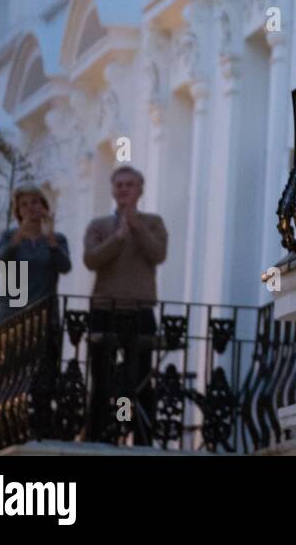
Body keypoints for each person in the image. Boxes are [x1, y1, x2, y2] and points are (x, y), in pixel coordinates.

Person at [83, 165, 168, 444]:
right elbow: (91, 259)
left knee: (140, 377)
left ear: (140, 190)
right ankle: (98, 436)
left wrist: (135, 227)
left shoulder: (153, 222)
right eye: (118, 185)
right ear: (112, 190)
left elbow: (157, 253)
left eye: (129, 185)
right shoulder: (98, 226)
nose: (123, 189)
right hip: (105, 309)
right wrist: (118, 237)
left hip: (140, 310)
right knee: (102, 378)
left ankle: (140, 437)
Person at [0, 181, 71, 322]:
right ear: (19, 211)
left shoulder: (58, 238)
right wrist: (17, 240)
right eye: (24, 204)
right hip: (12, 314)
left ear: (43, 206)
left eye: (34, 202)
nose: (30, 208)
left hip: (44, 315)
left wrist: (52, 242)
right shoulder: (9, 236)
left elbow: (65, 267)